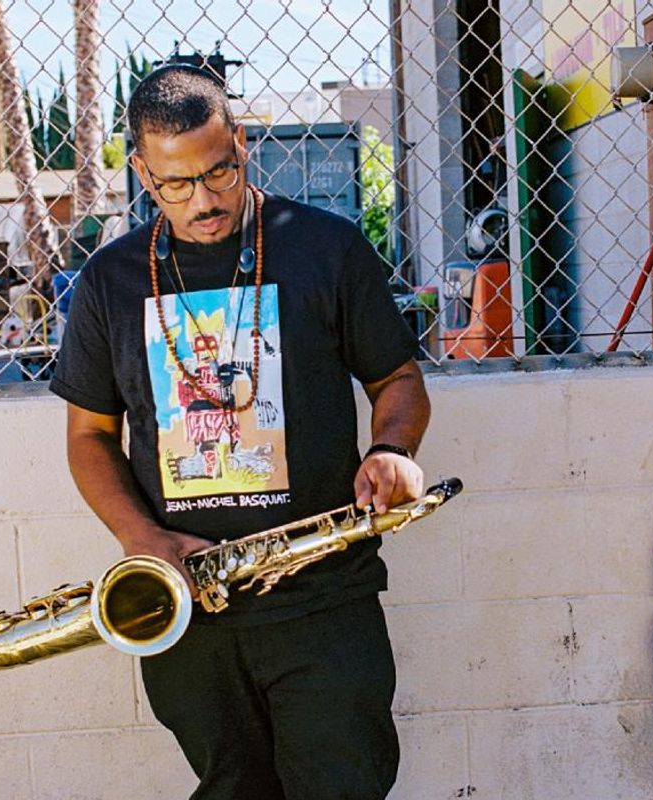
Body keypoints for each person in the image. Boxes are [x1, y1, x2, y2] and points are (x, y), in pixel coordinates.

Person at [49, 63, 431, 800]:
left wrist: (391, 449)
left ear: (242, 144)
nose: (203, 202)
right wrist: (141, 539)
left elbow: (399, 382)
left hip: (322, 596)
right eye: (174, 185)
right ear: (141, 171)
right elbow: (88, 436)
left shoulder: (326, 247)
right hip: (187, 606)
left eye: (218, 174)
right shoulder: (109, 280)